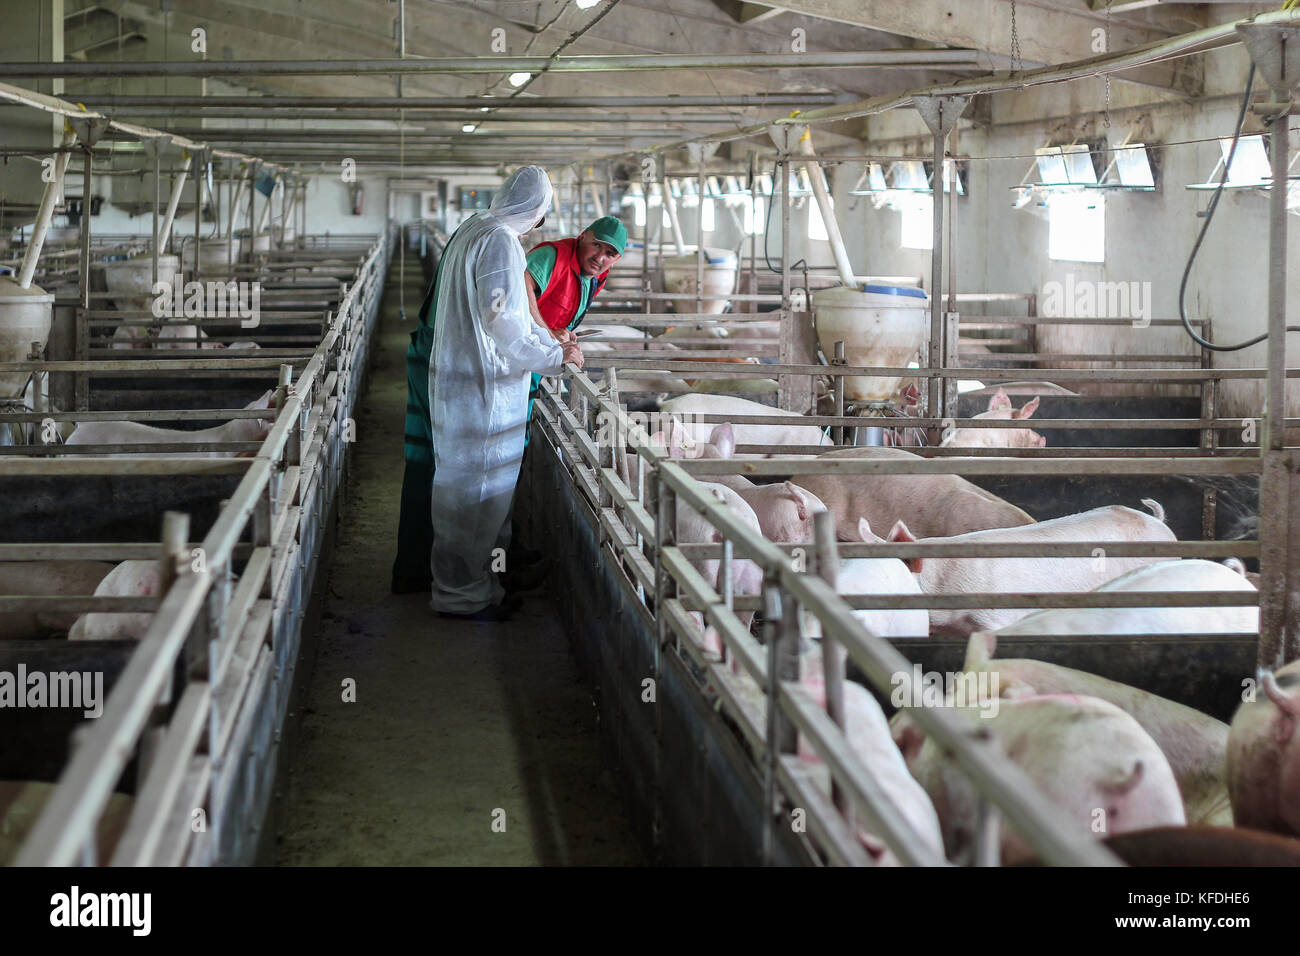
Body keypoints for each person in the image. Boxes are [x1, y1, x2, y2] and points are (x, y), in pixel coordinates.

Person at [426, 166, 583, 622]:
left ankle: (480, 584)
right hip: (482, 390)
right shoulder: (499, 241)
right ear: (537, 212)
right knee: (475, 495)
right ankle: (460, 596)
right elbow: (503, 321)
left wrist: (550, 342)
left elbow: (505, 314)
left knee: (471, 492)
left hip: (465, 382)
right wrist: (555, 359)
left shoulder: (474, 227)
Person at [521, 216, 626, 442]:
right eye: (596, 244)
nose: (600, 257)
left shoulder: (595, 276)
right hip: (517, 356)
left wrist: (562, 332)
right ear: (583, 235)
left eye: (610, 253)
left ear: (617, 259)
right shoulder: (554, 256)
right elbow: (519, 286)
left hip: (539, 359)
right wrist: (549, 333)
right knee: (512, 427)